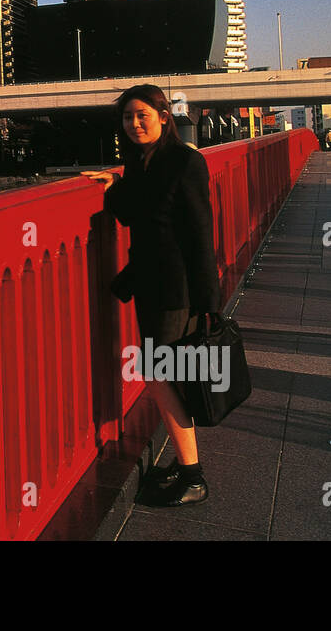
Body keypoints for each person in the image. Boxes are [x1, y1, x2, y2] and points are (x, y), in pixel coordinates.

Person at [83, 84, 218, 506]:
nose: (135, 123)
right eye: (127, 117)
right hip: (151, 285)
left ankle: (193, 477)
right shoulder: (140, 162)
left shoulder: (185, 161)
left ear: (164, 115)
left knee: (161, 375)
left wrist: (209, 303)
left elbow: (200, 233)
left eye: (143, 115)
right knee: (168, 374)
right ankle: (184, 460)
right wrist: (114, 182)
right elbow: (130, 215)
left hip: (176, 289)